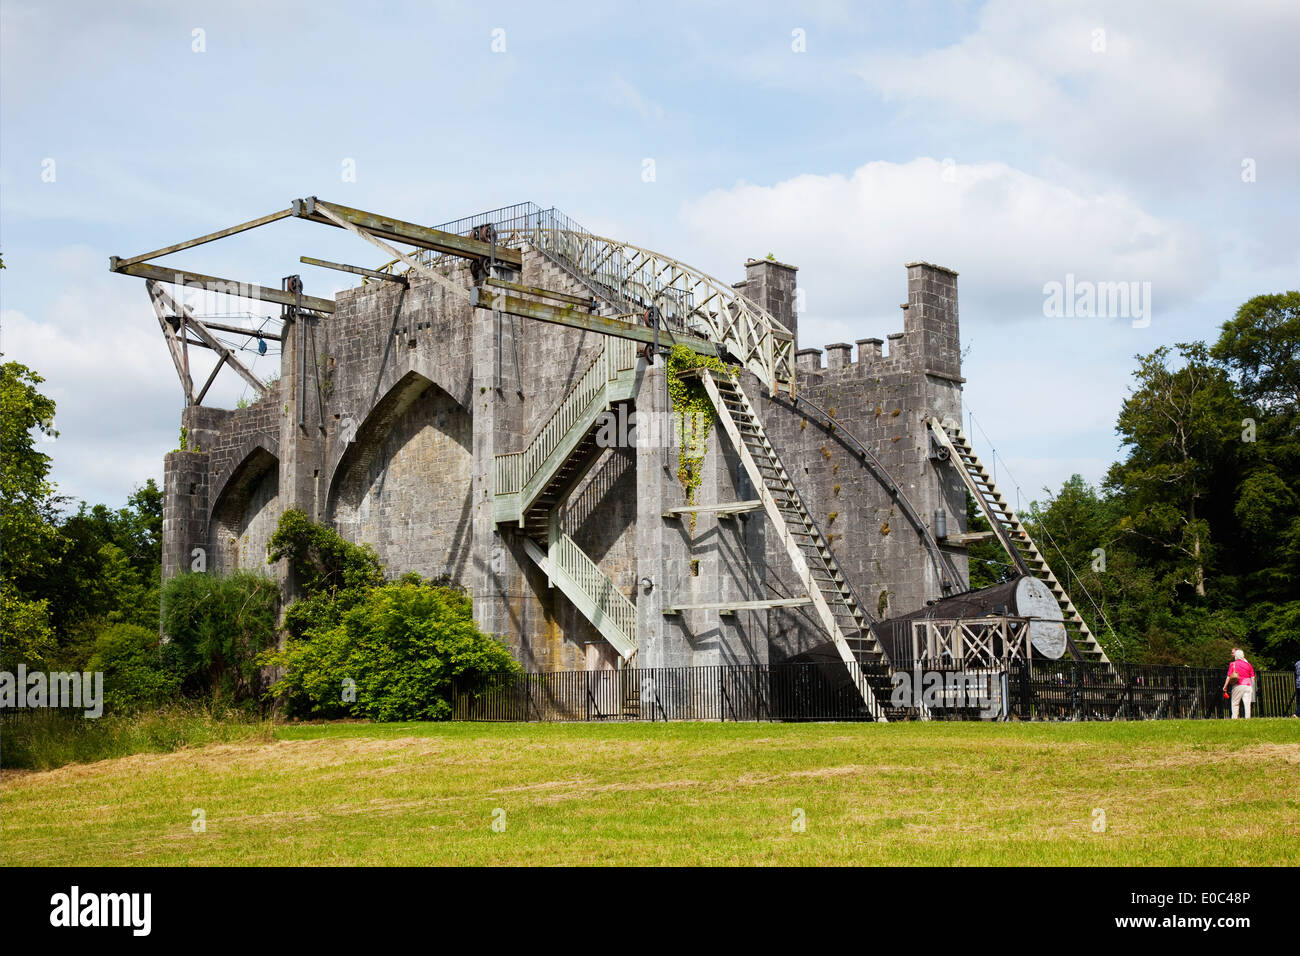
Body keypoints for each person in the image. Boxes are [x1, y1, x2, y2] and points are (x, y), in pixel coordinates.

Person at [1222, 649, 1256, 719]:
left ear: (1236, 656)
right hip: (1248, 686)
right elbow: (1252, 678)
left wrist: (1225, 686)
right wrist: (1252, 687)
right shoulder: (1248, 665)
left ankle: (1234, 718)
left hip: (1238, 685)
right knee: (1247, 704)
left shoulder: (1233, 664)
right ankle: (1248, 718)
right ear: (1243, 656)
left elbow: (1228, 677)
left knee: (1235, 703)